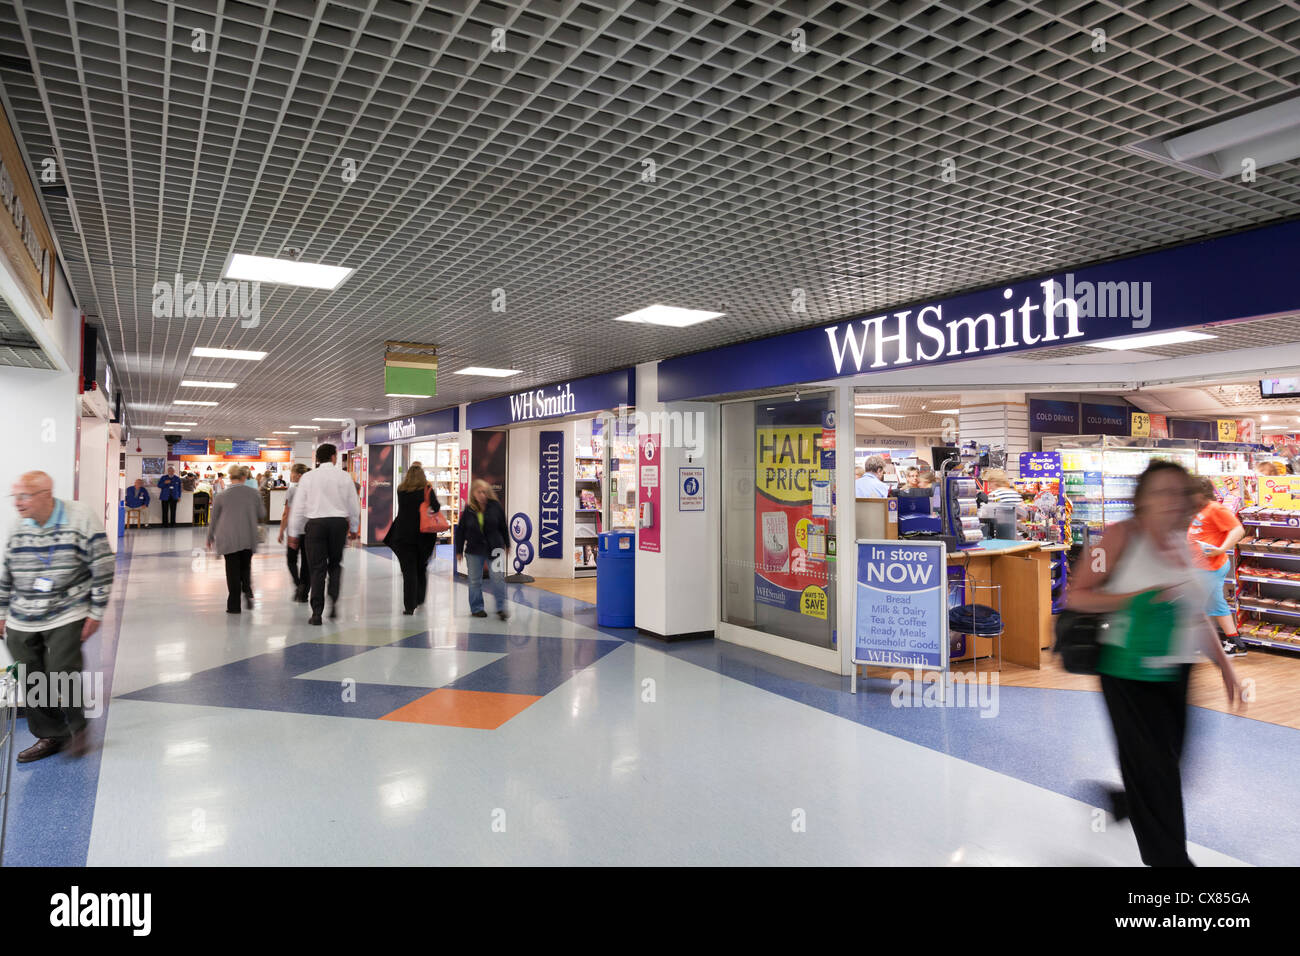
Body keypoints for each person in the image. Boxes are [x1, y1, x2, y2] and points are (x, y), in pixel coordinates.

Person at [1067, 460, 1240, 867]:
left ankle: (1127, 800)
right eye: (1161, 491)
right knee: (1159, 775)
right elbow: (1076, 596)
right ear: (1141, 499)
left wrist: (1225, 665)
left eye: (1178, 492)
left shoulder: (1187, 544)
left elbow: (1195, 613)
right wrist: (1135, 598)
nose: (1171, 500)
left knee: (1171, 765)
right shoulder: (1118, 538)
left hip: (1177, 672)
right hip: (1126, 672)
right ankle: (1171, 862)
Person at [0, 471, 114, 762]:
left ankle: (78, 728)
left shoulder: (80, 517)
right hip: (23, 614)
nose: (18, 503)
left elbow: (103, 565)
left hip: (68, 608)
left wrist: (96, 611)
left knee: (61, 669)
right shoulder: (19, 526)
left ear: (46, 495)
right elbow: (6, 570)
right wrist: (1, 612)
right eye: (16, 496)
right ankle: (52, 734)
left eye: (24, 496)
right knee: (29, 675)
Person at [288, 444, 361, 625]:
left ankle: (316, 613)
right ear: (333, 457)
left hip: (316, 525)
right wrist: (354, 527)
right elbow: (353, 505)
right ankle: (334, 603)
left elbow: (298, 508)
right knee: (335, 564)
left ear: (318, 459)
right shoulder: (344, 477)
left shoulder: (308, 477)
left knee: (317, 568)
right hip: (337, 525)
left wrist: (294, 532)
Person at [1188, 476, 1247, 656]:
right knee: (1215, 603)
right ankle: (1235, 642)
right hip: (1202, 566)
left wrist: (1221, 548)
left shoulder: (1215, 508)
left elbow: (1238, 530)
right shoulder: (1199, 509)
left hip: (1209, 566)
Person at [206, 465, 265, 614]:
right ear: (244, 477)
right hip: (248, 536)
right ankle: (247, 590)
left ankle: (234, 605)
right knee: (246, 566)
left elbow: (214, 519)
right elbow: (262, 513)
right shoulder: (254, 493)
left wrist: (210, 537)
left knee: (232, 570)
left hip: (228, 537)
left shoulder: (221, 496)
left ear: (230, 477)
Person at [384, 464, 440, 614]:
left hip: (403, 535)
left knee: (408, 571)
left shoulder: (401, 490)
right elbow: (436, 508)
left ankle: (409, 606)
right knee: (421, 567)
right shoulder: (427, 490)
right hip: (423, 535)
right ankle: (420, 597)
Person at [455, 478, 509, 620]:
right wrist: (459, 550)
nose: (482, 495)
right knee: (474, 581)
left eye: (485, 492)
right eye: (479, 492)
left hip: (495, 549)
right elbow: (461, 530)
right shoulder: (469, 510)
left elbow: (503, 526)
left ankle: (501, 608)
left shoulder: (495, 506)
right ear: (473, 493)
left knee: (498, 579)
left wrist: (507, 544)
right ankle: (477, 608)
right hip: (474, 550)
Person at [278, 463, 311, 601]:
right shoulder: (312, 489)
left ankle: (298, 584)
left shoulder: (292, 491)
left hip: (294, 532)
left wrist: (281, 531)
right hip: (309, 530)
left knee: (291, 560)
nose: (290, 475)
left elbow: (287, 513)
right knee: (306, 562)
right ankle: (304, 593)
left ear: (298, 475)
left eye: (291, 473)